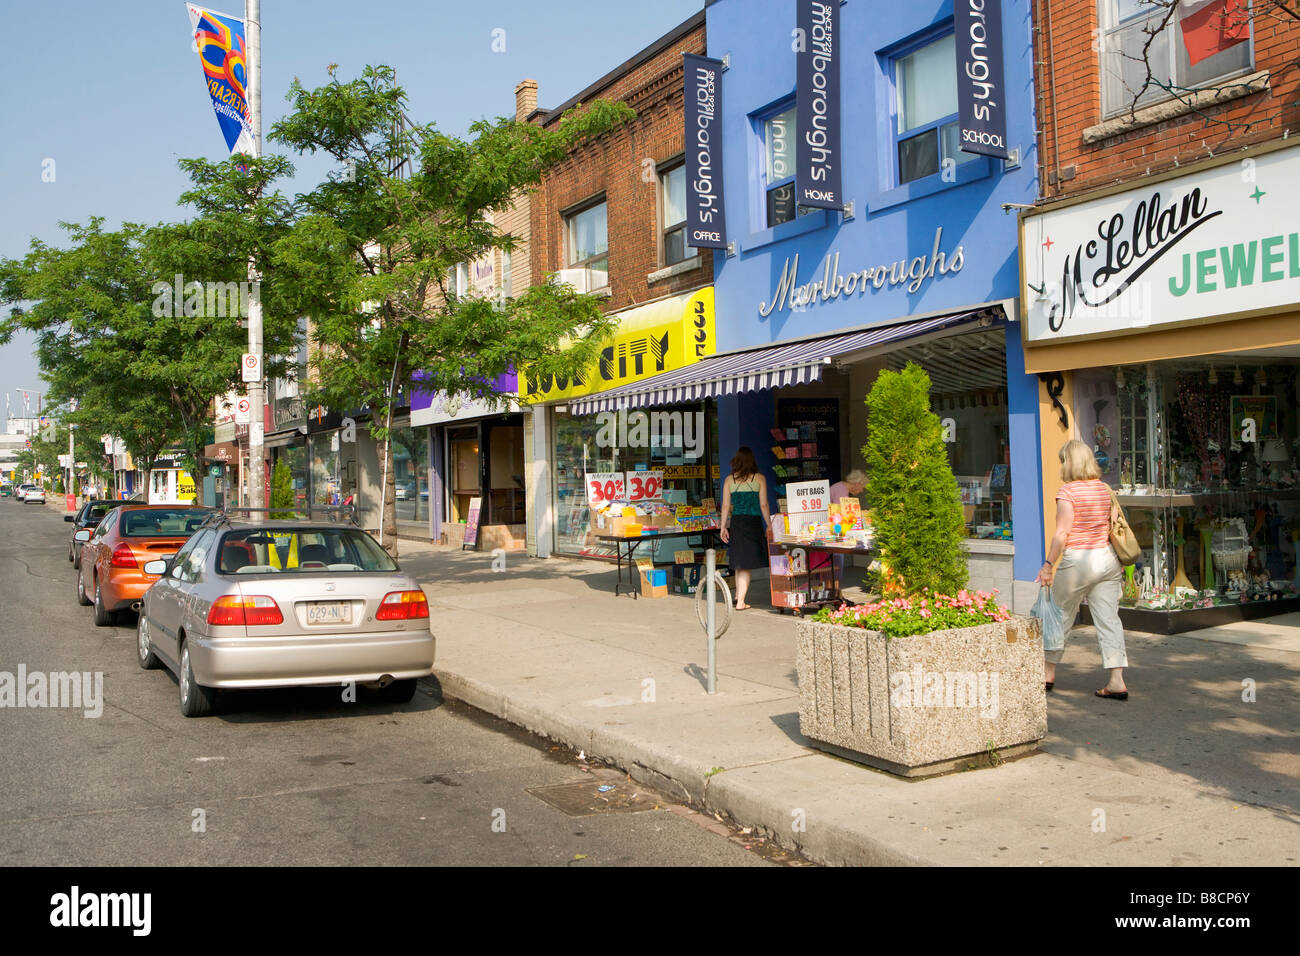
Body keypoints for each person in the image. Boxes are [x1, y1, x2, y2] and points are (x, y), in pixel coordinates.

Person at [1036, 439, 1129, 700]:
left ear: (1069, 463)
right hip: (1107, 559)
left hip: (1078, 561)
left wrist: (1047, 565)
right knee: (1109, 620)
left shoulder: (1068, 492)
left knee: (1060, 616)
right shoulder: (1104, 489)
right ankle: (1116, 681)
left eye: (1062, 460)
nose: (1061, 465)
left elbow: (1062, 534)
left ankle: (1047, 673)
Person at [719, 446, 771, 610]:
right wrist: (769, 524)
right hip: (753, 522)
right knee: (746, 564)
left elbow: (726, 506)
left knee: (739, 561)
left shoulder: (729, 480)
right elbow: (763, 504)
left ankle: (737, 596)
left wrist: (723, 527)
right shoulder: (759, 479)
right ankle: (740, 602)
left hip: (737, 522)